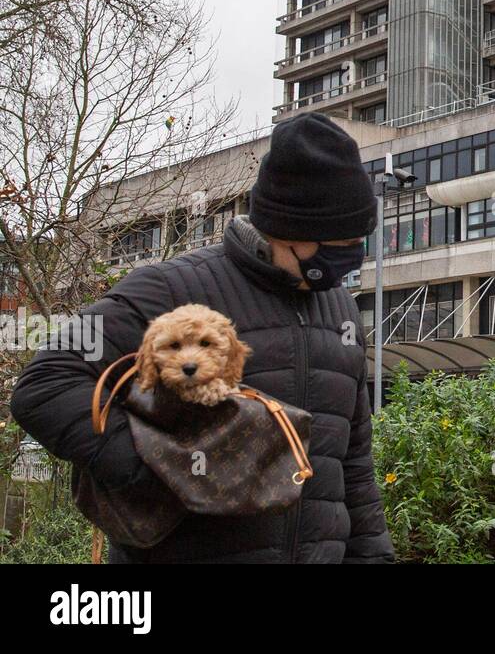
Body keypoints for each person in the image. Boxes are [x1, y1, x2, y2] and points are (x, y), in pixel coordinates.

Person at [11, 112, 395, 563]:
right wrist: (159, 471)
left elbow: (351, 462)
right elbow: (45, 385)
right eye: (335, 245)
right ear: (286, 227)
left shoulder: (341, 311)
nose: (347, 260)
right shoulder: (172, 291)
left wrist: (373, 557)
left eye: (357, 243)